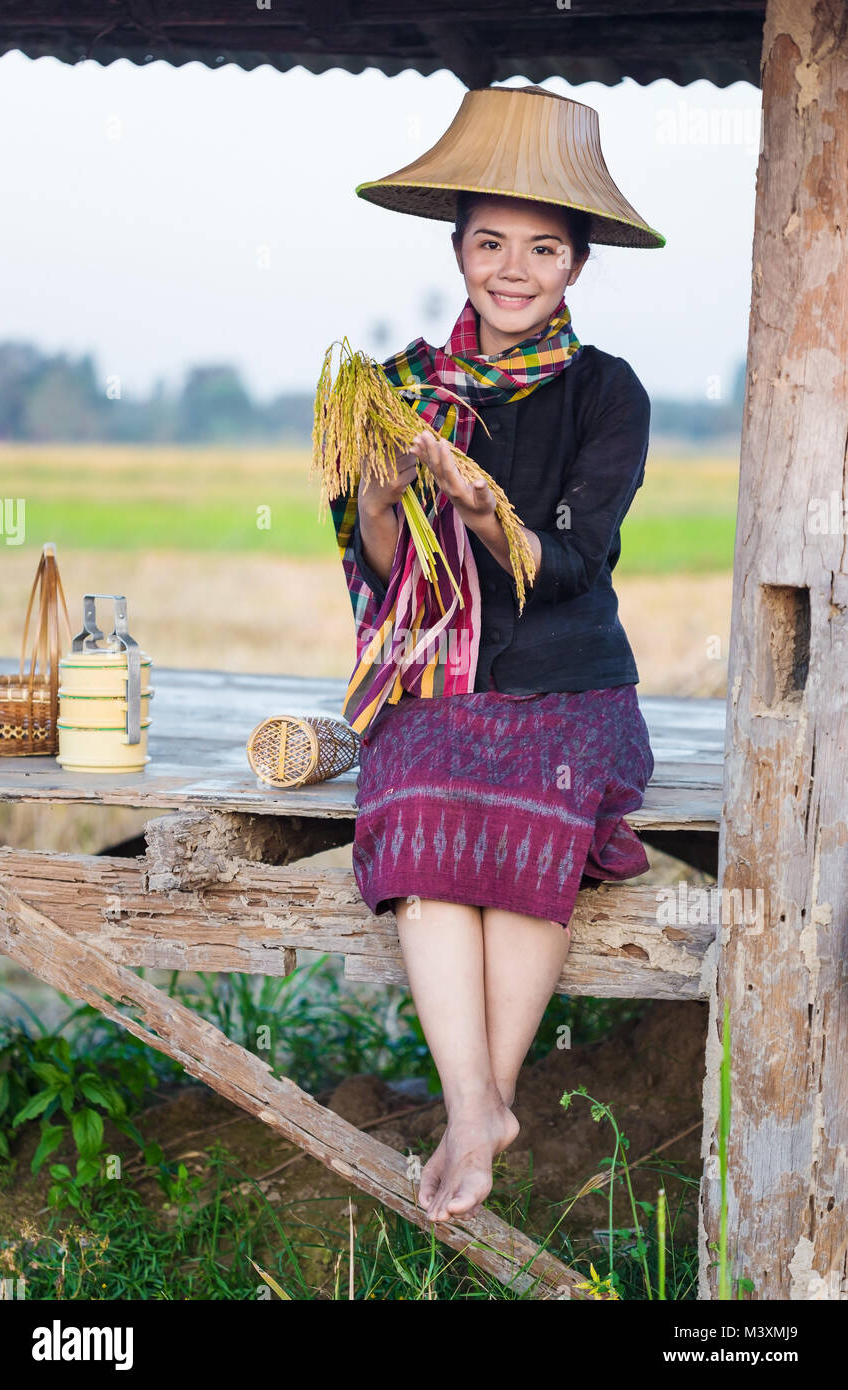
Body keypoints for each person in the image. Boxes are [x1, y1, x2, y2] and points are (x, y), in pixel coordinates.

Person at [333, 84, 664, 1225]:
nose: (512, 270)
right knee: (418, 791)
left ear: (575, 265)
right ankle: (477, 1109)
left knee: (533, 803)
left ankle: (478, 1108)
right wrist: (383, 495)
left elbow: (574, 563)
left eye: (541, 249)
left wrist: (484, 510)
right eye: (489, 243)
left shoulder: (607, 391)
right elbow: (377, 571)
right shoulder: (390, 389)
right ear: (458, 249)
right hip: (438, 682)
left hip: (571, 682)